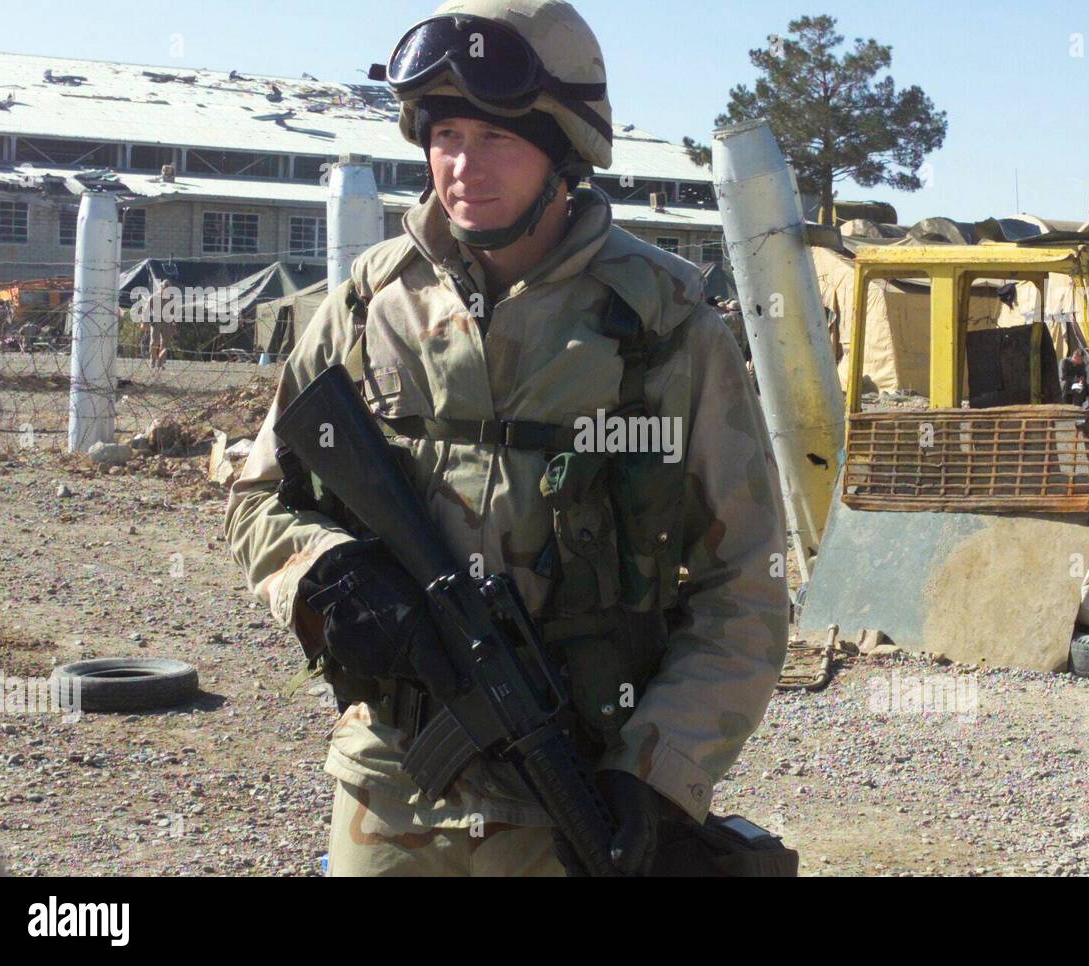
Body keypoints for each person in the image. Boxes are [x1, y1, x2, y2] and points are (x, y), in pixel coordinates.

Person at [225, 0, 787, 878]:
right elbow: (261, 495)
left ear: (562, 148)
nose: (461, 166)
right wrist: (325, 574)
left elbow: (749, 584)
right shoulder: (371, 302)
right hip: (391, 783)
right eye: (445, 133)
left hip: (579, 786)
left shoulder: (664, 324)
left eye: (495, 138)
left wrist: (660, 773)